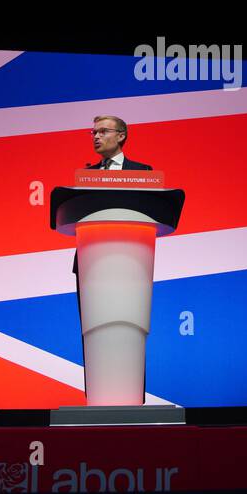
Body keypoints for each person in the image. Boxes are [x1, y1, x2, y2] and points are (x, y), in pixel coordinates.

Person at [72, 116, 153, 333]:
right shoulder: (85, 176)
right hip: (91, 263)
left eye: (103, 131)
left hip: (132, 261)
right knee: (93, 330)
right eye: (94, 133)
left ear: (121, 136)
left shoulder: (143, 173)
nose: (96, 137)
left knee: (130, 329)